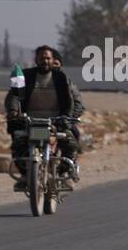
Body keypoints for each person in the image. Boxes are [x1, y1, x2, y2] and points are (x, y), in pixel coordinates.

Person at [5, 45, 84, 189]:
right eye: (42, 58)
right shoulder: (25, 76)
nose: (45, 61)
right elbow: (14, 95)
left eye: (48, 58)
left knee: (71, 145)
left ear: (52, 60)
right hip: (29, 121)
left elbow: (70, 102)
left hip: (55, 122)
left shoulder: (61, 78)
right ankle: (25, 175)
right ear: (36, 59)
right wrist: (13, 110)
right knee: (18, 145)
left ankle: (63, 174)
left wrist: (66, 118)